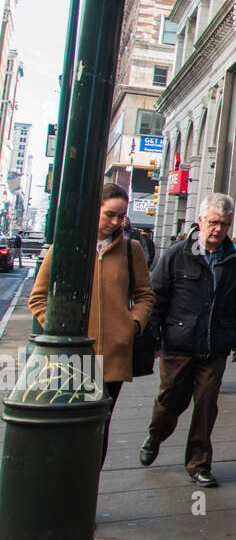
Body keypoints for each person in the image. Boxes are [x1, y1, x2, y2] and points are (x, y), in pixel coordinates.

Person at [29, 183, 154, 466]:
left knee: (99, 430)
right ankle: (66, 492)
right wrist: (60, 333)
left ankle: (86, 496)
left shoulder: (130, 250)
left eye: (120, 217)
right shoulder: (66, 247)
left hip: (112, 357)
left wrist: (132, 325)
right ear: (93, 210)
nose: (115, 222)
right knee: (68, 430)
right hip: (71, 358)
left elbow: (145, 296)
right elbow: (38, 298)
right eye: (110, 214)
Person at [139, 193, 236, 487]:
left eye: (224, 224)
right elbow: (156, 297)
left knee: (206, 402)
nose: (218, 229)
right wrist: (155, 339)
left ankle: (199, 462)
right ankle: (156, 434)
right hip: (178, 344)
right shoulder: (177, 255)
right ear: (200, 220)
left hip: (215, 346)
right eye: (213, 222)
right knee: (171, 400)